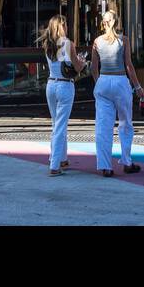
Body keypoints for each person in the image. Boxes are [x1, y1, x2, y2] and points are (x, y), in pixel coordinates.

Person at [90, 9, 144, 177]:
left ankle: (106, 166)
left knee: (103, 126)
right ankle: (127, 161)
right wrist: (138, 87)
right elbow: (128, 65)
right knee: (125, 123)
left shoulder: (97, 42)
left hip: (103, 81)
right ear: (117, 22)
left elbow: (93, 68)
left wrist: (99, 82)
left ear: (104, 23)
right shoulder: (124, 40)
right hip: (121, 82)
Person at [36, 14, 88, 176]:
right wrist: (83, 61)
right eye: (65, 25)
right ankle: (54, 164)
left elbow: (61, 62)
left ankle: (61, 158)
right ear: (61, 26)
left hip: (51, 84)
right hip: (65, 86)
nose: (67, 28)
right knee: (60, 126)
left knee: (56, 124)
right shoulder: (67, 43)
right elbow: (78, 67)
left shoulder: (47, 44)